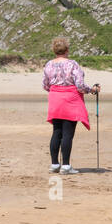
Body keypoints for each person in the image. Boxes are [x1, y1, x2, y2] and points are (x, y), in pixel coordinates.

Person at [42, 36, 100, 174]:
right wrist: (92, 90)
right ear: (67, 50)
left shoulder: (49, 64)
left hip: (55, 98)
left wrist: (56, 91)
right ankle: (66, 166)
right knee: (67, 134)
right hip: (70, 99)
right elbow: (79, 85)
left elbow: (45, 85)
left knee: (57, 131)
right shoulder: (72, 64)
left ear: (54, 50)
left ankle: (55, 164)